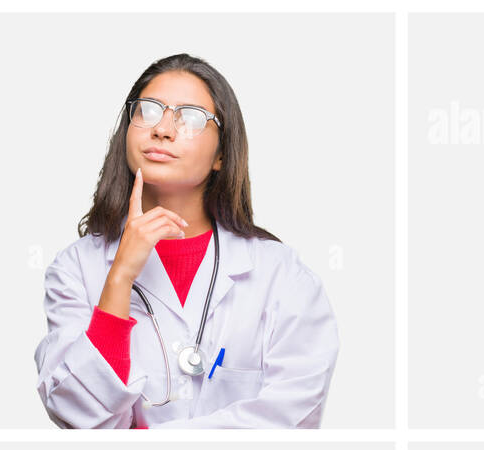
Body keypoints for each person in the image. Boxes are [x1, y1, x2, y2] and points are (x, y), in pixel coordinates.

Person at [35, 54, 338, 429]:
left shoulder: (280, 273)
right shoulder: (76, 269)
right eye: (148, 110)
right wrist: (120, 276)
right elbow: (76, 410)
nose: (162, 129)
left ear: (222, 155)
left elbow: (291, 412)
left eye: (191, 117)